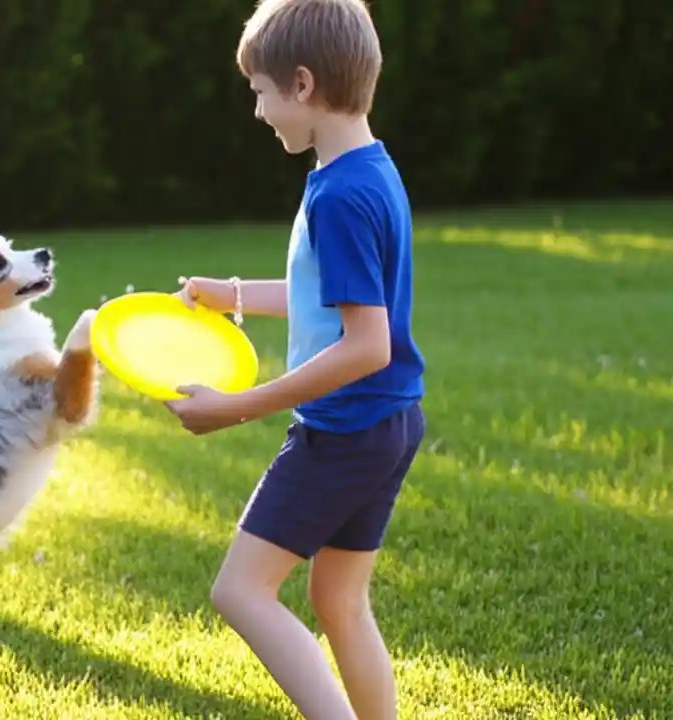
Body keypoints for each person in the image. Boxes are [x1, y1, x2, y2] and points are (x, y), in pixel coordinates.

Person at [164, 1, 426, 717]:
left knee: (240, 591)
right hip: (389, 422)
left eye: (260, 92)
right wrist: (235, 295)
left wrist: (234, 408)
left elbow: (364, 345)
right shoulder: (367, 169)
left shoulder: (341, 195)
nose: (257, 111)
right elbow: (330, 296)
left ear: (302, 85)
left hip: (342, 431)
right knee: (338, 600)